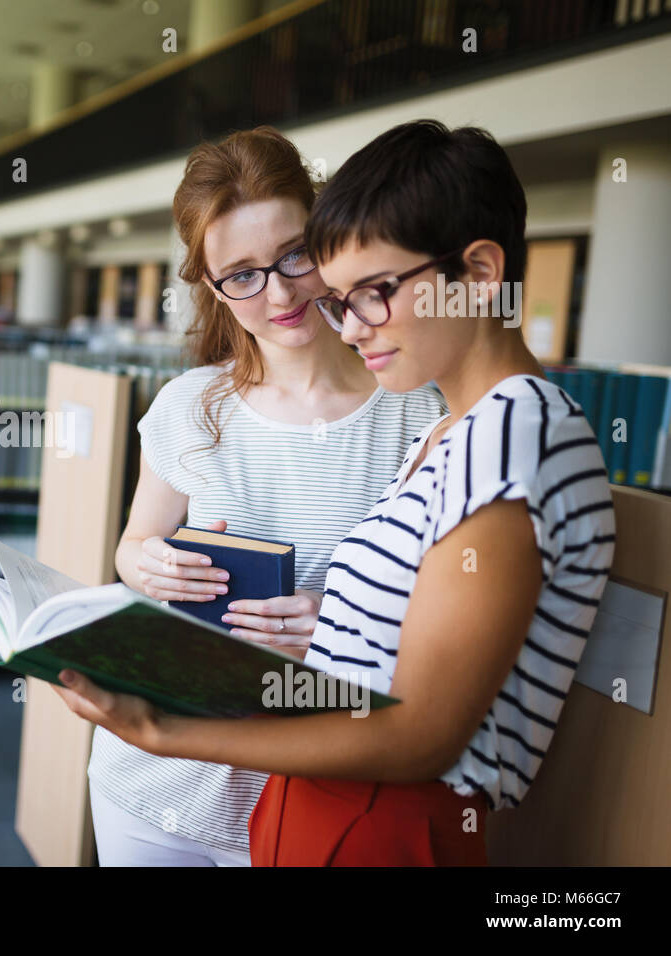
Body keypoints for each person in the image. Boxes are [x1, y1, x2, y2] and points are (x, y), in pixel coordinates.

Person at [54, 120, 615, 866]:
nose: (345, 321)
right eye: (244, 274)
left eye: (366, 290)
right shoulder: (450, 430)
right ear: (215, 288)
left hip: (350, 791)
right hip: (276, 788)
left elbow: (422, 733)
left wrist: (162, 726)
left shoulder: (481, 427)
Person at [85, 127, 446, 866]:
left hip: (311, 794)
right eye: (241, 275)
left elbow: (451, 610)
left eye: (294, 255)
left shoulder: (422, 410)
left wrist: (341, 622)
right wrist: (144, 565)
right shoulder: (191, 405)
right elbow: (132, 546)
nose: (279, 293)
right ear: (213, 288)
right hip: (156, 778)